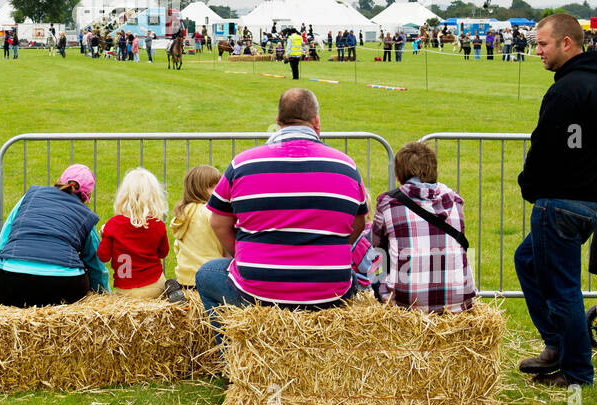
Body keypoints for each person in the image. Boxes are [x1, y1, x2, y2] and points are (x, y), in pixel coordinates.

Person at [515, 13, 597, 388]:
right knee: (528, 259)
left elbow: (545, 145)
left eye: (543, 44)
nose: (538, 51)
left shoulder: (566, 90)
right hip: (592, 203)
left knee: (561, 287)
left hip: (560, 203)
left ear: (567, 43)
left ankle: (577, 371)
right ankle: (556, 344)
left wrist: (530, 185)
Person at [195, 89, 368, 335]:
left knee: (205, 275)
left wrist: (242, 256)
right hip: (331, 290)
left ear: (278, 122)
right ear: (316, 122)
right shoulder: (346, 166)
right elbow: (358, 224)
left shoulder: (243, 164)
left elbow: (218, 222)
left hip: (257, 289)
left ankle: (232, 361)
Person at [369, 142, 476, 312]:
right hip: (459, 299)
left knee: (376, 260)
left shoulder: (388, 203)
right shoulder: (455, 200)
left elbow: (376, 245)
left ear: (399, 174)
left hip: (407, 302)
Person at [0, 164, 111, 307]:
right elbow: (95, 263)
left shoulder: (30, 196)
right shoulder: (86, 215)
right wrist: (105, 298)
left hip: (7, 286)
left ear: (60, 180)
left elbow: (2, 244)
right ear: (88, 196)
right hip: (62, 289)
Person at [97, 168, 173, 299]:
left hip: (126, 291)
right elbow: (163, 253)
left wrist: (105, 235)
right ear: (154, 197)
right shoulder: (157, 225)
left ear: (123, 196)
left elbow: (103, 256)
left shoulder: (113, 224)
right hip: (155, 286)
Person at [169, 164, 226, 288]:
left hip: (185, 280)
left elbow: (177, 248)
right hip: (209, 277)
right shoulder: (210, 213)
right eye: (212, 187)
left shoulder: (182, 213)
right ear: (199, 189)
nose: (218, 190)